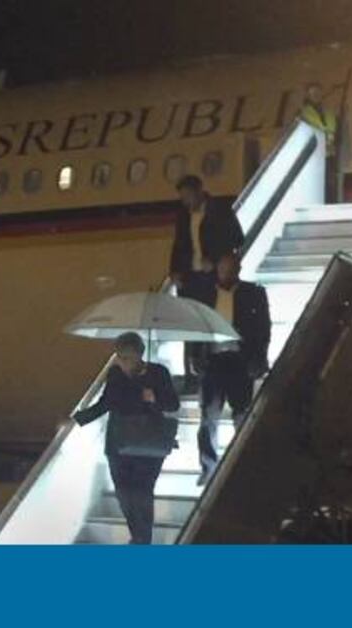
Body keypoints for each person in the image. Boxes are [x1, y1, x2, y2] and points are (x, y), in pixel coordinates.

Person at [73, 332, 179, 544]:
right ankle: (138, 536)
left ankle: (142, 540)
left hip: (149, 442)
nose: (124, 361)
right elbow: (107, 402)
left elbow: (172, 404)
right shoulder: (115, 374)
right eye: (120, 356)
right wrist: (78, 419)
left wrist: (153, 398)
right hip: (119, 443)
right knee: (123, 492)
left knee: (142, 492)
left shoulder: (158, 373)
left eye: (128, 357)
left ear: (140, 354)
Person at [189, 252, 271, 485]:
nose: (227, 273)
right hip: (212, 359)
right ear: (218, 269)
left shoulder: (253, 293)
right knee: (208, 416)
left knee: (242, 414)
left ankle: (243, 464)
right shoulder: (205, 294)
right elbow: (195, 326)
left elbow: (263, 328)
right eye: (223, 269)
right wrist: (194, 355)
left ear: (238, 269)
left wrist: (259, 358)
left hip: (239, 359)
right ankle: (208, 467)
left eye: (231, 269)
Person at [169, 174, 244, 382]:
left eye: (188, 196)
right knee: (189, 326)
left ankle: (210, 371)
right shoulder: (183, 215)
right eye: (182, 197)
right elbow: (179, 244)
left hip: (211, 277)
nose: (186, 202)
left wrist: (216, 259)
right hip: (189, 278)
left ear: (200, 191)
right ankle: (191, 374)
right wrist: (174, 271)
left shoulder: (219, 211)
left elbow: (237, 238)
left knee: (210, 323)